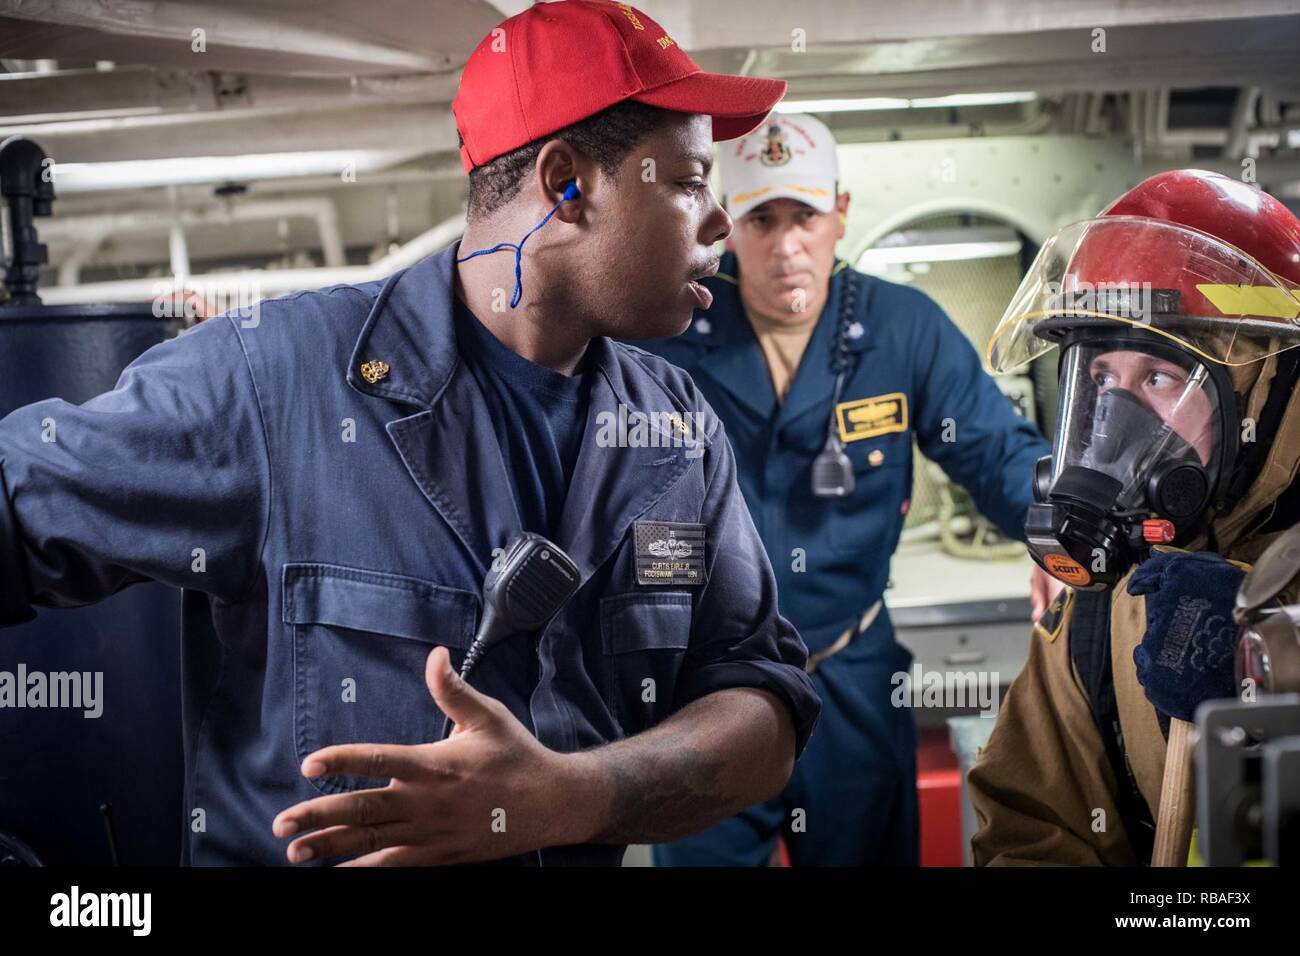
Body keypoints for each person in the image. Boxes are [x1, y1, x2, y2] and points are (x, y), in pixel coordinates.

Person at [0, 0, 822, 866]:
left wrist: (570, 798)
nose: (720, 222)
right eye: (690, 182)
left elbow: (762, 704)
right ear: (565, 185)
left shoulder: (676, 431)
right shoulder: (275, 380)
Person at [637, 113, 1051, 866]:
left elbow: (997, 452)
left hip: (852, 675)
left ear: (842, 214)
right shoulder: (669, 332)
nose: (787, 244)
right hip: (705, 686)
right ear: (727, 224)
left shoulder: (903, 329)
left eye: (806, 216)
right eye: (763, 219)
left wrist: (1060, 532)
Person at [969, 168, 1300, 865]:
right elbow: (1032, 829)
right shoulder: (1101, 612)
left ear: (1269, 402)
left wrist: (1273, 673)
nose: (1115, 424)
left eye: (1157, 378)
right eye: (1100, 381)